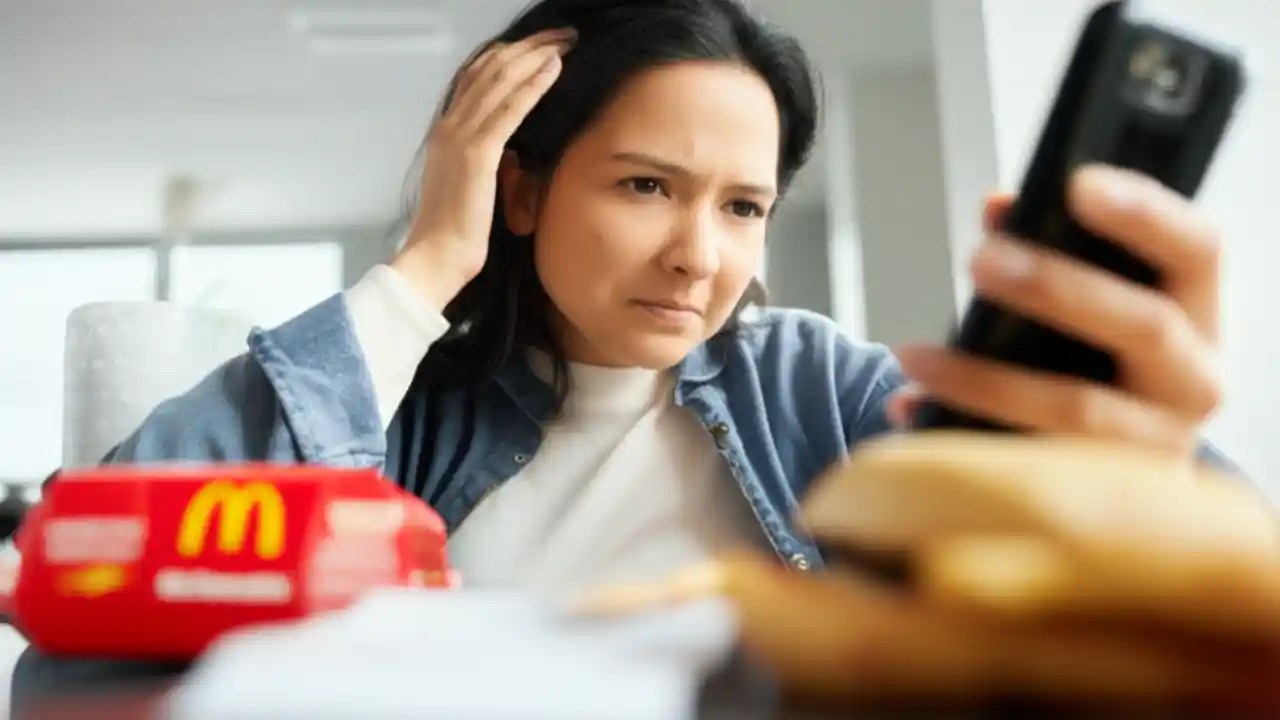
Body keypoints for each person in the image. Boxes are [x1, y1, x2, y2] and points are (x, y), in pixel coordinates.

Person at [11, 0, 1252, 709]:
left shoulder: (814, 386)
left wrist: (1140, 469)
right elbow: (86, 609)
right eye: (648, 185)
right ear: (523, 191)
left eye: (741, 207)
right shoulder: (399, 400)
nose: (697, 258)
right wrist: (422, 269)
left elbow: (1193, 611)